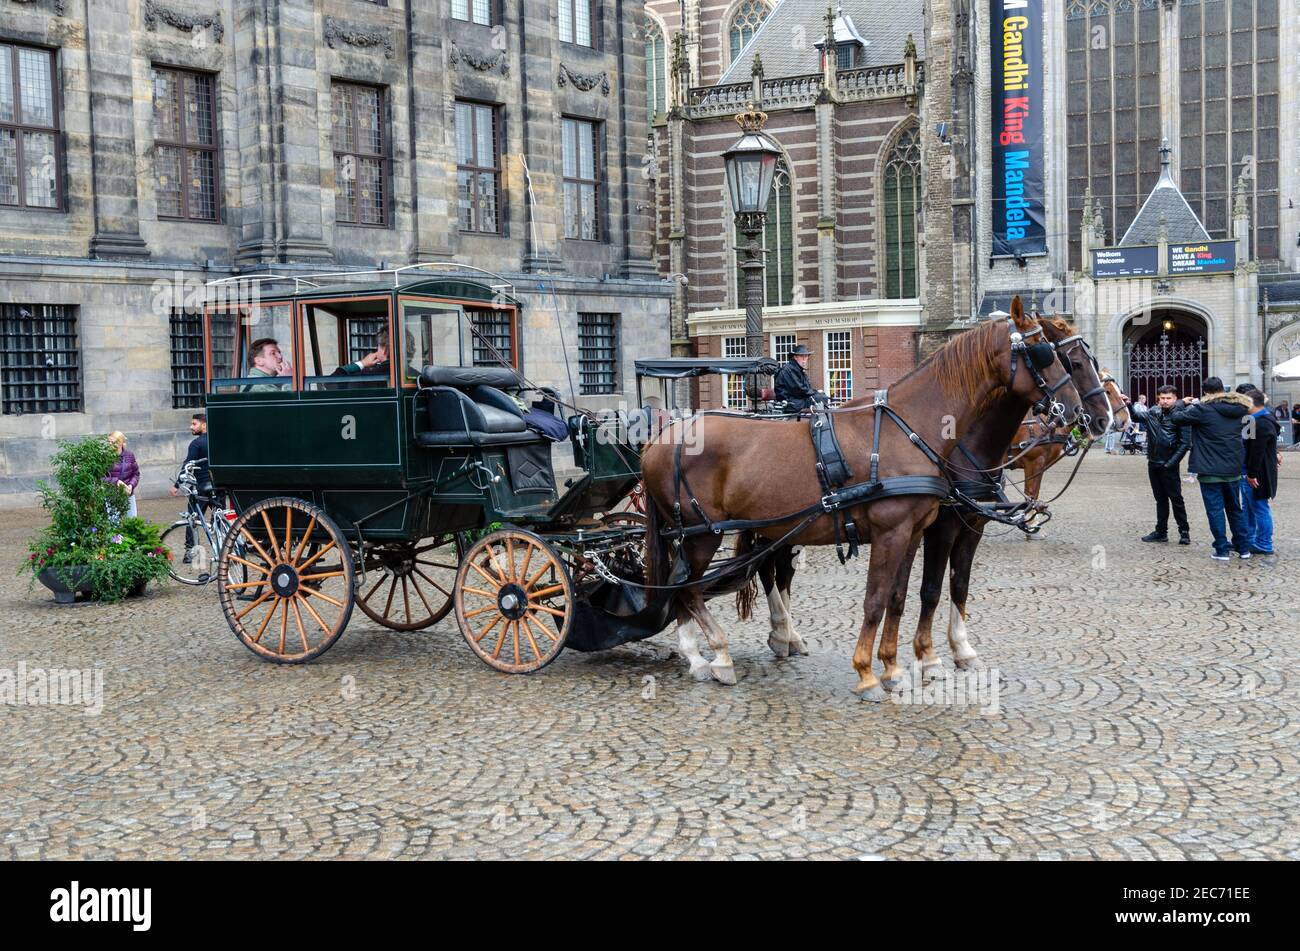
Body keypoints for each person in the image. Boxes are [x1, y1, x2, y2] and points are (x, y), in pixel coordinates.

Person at [1169, 377, 1254, 561]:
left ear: (1206, 392)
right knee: (1235, 509)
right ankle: (1244, 548)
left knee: (1215, 510)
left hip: (1210, 469)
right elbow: (1249, 434)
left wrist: (1181, 403)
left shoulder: (1203, 410)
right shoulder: (1240, 409)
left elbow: (1176, 418)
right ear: (1223, 390)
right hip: (1233, 468)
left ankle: (1222, 549)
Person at [1125, 385, 1192, 544]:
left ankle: (1184, 532)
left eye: (1168, 398)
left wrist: (1170, 464)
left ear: (1175, 399)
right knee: (1160, 499)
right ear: (1158, 398)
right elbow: (1135, 417)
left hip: (1169, 464)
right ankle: (1161, 531)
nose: (1165, 401)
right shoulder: (1153, 412)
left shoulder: (1182, 415)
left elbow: (1185, 444)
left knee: (1176, 499)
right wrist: (1128, 403)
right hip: (1153, 463)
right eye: (1162, 398)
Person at [171, 413, 212, 562]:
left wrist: (177, 485)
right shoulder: (217, 440)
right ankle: (227, 549)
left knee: (191, 518)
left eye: (194, 424)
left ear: (204, 425)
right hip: (218, 486)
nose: (191, 427)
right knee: (220, 519)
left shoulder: (196, 444)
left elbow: (187, 465)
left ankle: (190, 552)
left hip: (201, 487)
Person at [1244, 390, 1280, 556]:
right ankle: (1250, 540)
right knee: (1252, 506)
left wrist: (1251, 474)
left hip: (1260, 473)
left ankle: (1265, 544)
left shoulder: (1263, 422)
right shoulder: (1256, 419)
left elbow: (1256, 452)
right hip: (1256, 470)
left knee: (1260, 507)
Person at [774, 344, 828, 413]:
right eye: (802, 356)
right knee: (819, 398)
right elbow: (799, 390)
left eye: (806, 356)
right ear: (795, 357)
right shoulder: (787, 370)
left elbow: (807, 387)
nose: (804, 359)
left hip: (798, 400)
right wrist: (815, 393)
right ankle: (821, 422)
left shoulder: (798, 370)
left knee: (822, 396)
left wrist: (817, 392)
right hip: (790, 402)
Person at [105, 431, 140, 518]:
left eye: (112, 442)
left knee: (132, 521)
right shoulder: (104, 457)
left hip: (127, 494)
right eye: (108, 442)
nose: (109, 444)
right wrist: (116, 482)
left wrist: (131, 486)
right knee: (113, 524)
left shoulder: (129, 455)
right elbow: (100, 477)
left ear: (120, 443)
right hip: (111, 495)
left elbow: (136, 474)